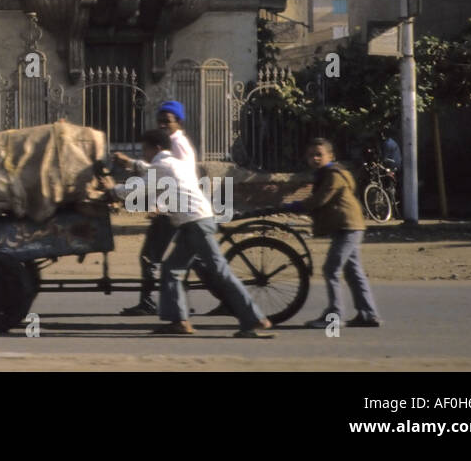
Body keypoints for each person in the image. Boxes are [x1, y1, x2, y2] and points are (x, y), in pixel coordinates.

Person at [106, 127, 273, 338]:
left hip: (195, 223)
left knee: (219, 271)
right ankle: (179, 321)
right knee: (171, 269)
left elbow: (140, 187)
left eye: (145, 150)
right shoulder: (173, 163)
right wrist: (131, 164)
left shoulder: (162, 166)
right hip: (192, 222)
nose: (143, 154)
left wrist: (112, 191)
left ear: (156, 148)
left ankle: (254, 318)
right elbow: (150, 171)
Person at [112, 100, 217, 315]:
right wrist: (133, 164)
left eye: (166, 121)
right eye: (159, 121)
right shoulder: (170, 144)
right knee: (192, 260)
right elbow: (160, 172)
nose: (162, 125)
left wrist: (159, 205)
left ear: (178, 122)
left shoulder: (177, 144)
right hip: (177, 207)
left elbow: (172, 177)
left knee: (153, 257)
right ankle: (207, 301)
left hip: (176, 208)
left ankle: (154, 303)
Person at [283, 139, 382, 329]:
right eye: (311, 155)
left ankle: (334, 316)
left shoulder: (333, 175)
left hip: (348, 226)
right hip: (347, 226)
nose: (314, 158)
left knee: (331, 269)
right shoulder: (325, 174)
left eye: (319, 154)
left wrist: (296, 206)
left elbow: (320, 199)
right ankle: (368, 314)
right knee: (353, 272)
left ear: (331, 156)